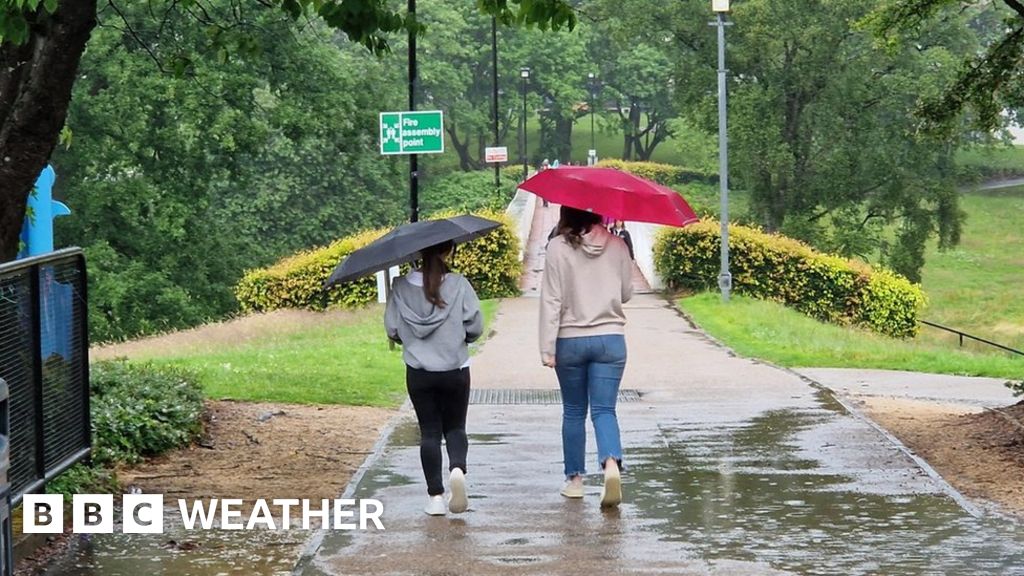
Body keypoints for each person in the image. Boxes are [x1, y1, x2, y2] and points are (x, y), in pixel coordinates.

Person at [539, 206, 634, 508]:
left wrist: (547, 347)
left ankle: (575, 481)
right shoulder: (618, 244)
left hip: (570, 340)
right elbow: (626, 293)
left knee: (574, 411)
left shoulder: (557, 247)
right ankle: (611, 464)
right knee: (605, 410)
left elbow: (551, 300)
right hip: (610, 339)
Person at [385, 240, 483, 516]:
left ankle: (436, 497)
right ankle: (457, 469)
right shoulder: (459, 284)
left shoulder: (399, 287)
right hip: (455, 368)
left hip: (419, 372)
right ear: (448, 251)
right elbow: (475, 326)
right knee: (456, 427)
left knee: (429, 432)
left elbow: (392, 329)